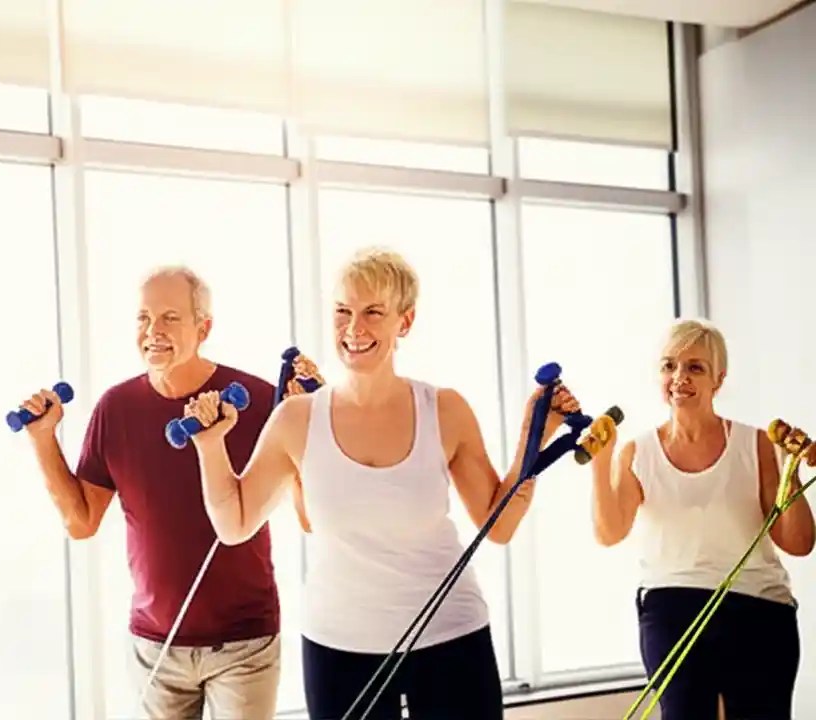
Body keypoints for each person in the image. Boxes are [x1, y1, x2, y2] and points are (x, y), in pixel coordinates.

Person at [183, 246, 584, 720]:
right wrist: (210, 446)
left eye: (373, 312)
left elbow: (496, 524)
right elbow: (234, 524)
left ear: (405, 322)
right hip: (340, 644)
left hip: (450, 634)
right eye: (342, 312)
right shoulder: (297, 418)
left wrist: (533, 434)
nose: (354, 328)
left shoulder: (445, 409)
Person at [16, 265, 282, 719]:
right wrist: (43, 439)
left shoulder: (259, 401)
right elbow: (81, 522)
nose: (153, 331)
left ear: (205, 327)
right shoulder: (116, 408)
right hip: (154, 644)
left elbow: (307, 498)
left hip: (244, 642)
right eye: (143, 318)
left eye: (170, 318)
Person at [590, 318, 813, 720]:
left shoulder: (758, 444)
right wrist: (601, 462)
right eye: (669, 366)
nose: (680, 377)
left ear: (718, 380)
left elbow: (799, 542)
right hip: (672, 603)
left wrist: (790, 470)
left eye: (695, 367)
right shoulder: (638, 453)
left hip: (758, 605)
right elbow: (610, 532)